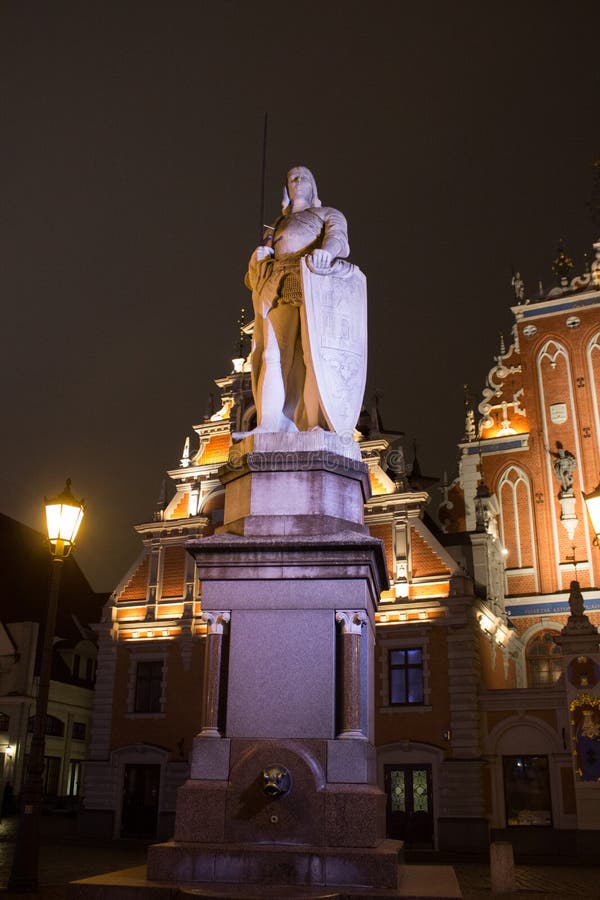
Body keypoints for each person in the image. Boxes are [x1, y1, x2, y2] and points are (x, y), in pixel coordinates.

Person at [245, 166, 350, 433]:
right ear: (287, 189)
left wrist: (326, 252)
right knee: (272, 352)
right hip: (276, 281)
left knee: (313, 354)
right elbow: (260, 262)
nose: (298, 181)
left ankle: (316, 423)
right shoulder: (276, 225)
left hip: (311, 277)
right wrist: (258, 258)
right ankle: (269, 423)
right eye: (293, 178)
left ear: (314, 187)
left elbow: (337, 237)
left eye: (304, 177)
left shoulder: (328, 213)